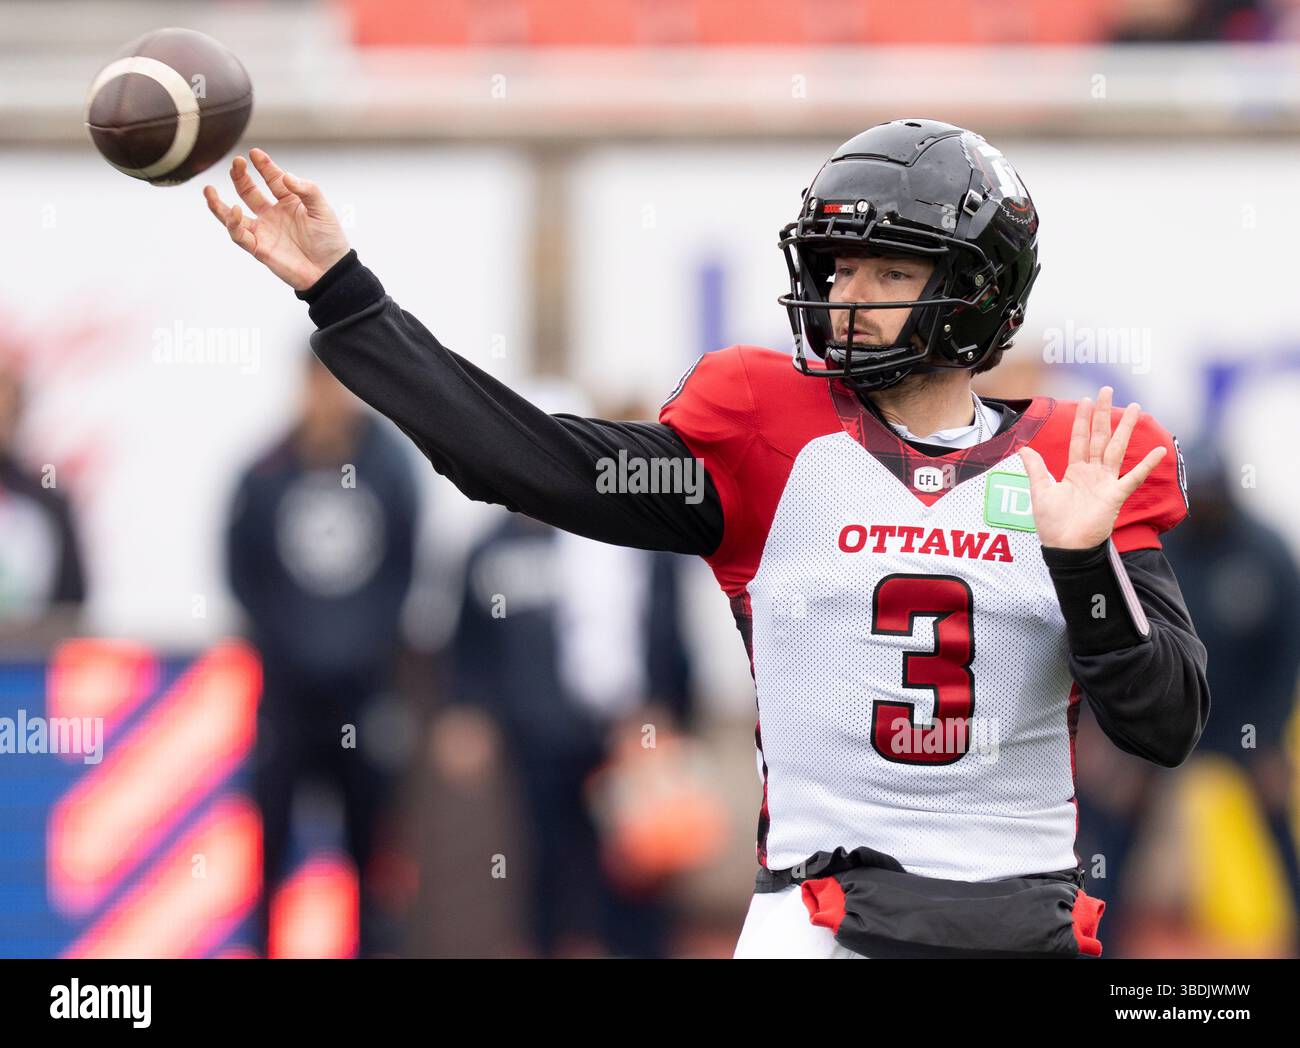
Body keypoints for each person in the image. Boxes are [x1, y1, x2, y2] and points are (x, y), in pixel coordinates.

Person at [202, 118, 1210, 959]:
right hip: (821, 915)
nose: (843, 295)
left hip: (1019, 920)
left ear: (976, 289)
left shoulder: (1078, 464)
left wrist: (1081, 566)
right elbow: (526, 460)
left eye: (882, 269)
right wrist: (346, 296)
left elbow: (1162, 724)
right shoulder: (769, 439)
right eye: (835, 264)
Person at [225, 352, 418, 956]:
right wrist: (290, 649)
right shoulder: (264, 470)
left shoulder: (389, 470)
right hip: (287, 696)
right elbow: (242, 576)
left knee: (371, 851)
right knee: (271, 847)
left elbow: (402, 574)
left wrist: (359, 650)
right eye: (321, 383)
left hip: (363, 694)